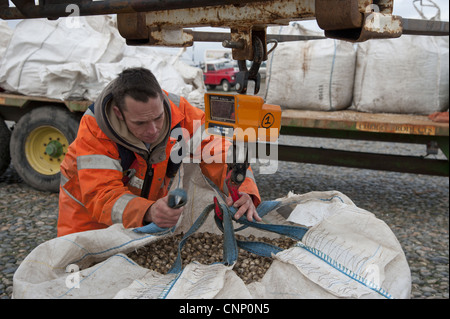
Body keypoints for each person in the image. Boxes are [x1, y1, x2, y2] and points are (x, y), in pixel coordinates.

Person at [57, 67, 261, 237]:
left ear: (162, 101)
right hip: (88, 224)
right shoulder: (95, 131)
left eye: (158, 118)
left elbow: (218, 151)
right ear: (119, 113)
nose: (153, 130)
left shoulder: (179, 112)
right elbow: (102, 196)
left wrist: (243, 188)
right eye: (140, 123)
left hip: (147, 218)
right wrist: (148, 210)